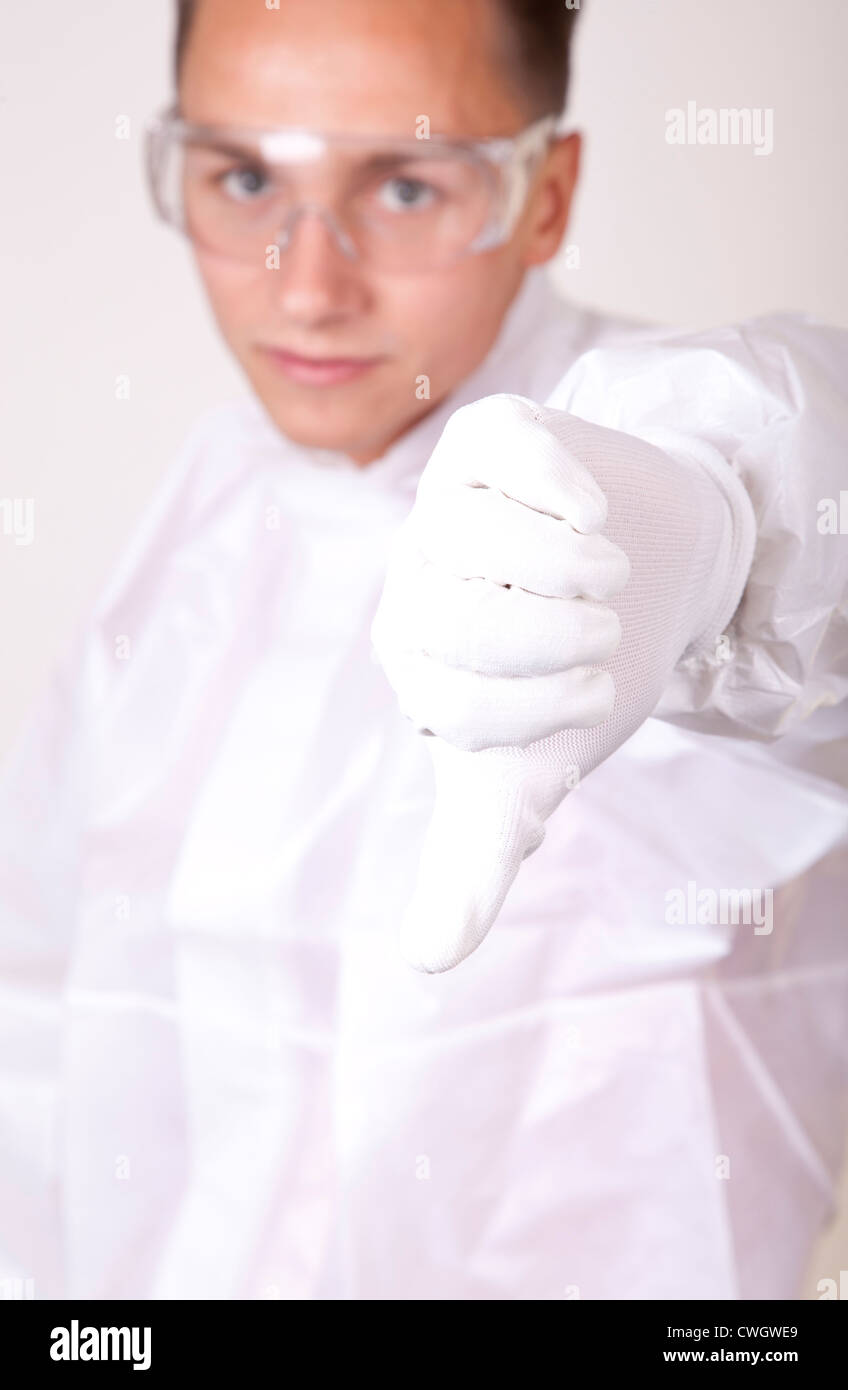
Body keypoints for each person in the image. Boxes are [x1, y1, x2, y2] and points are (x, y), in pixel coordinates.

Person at [1, 0, 846, 1301]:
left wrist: (718, 529)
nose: (306, 286)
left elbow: (809, 477)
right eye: (244, 177)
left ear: (545, 194)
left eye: (404, 185)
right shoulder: (203, 515)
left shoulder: (645, 477)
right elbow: (43, 1009)